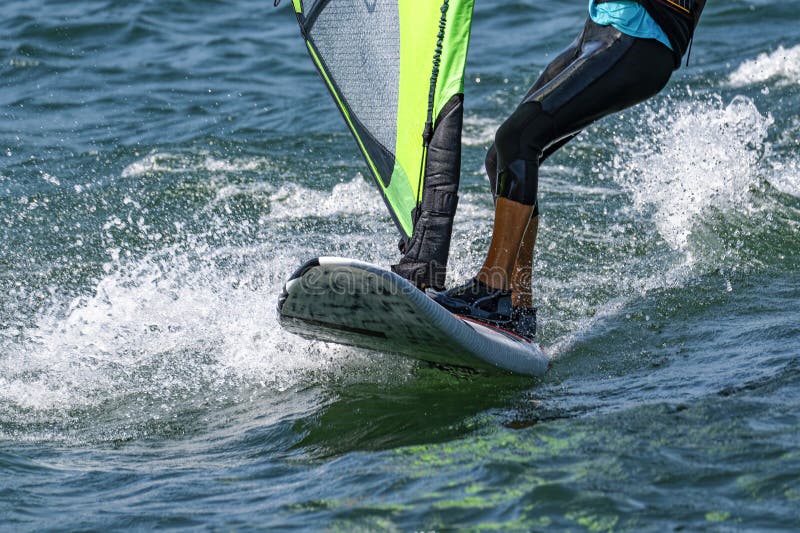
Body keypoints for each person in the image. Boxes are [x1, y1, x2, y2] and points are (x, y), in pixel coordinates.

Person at [431, 0, 706, 338]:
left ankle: (492, 288)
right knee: (500, 158)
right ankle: (518, 305)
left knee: (518, 141)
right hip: (599, 33)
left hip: (639, 39)